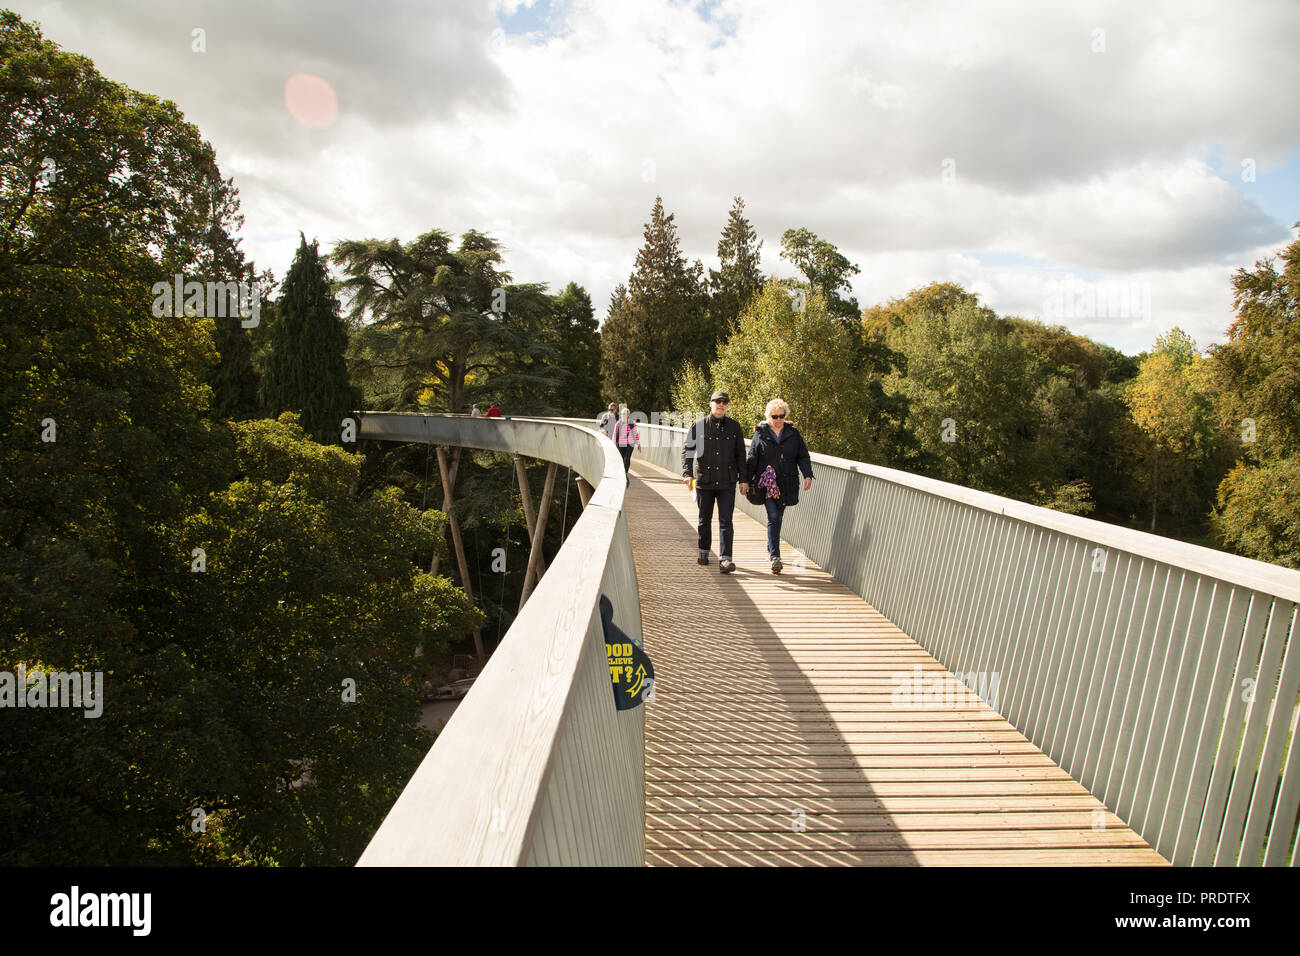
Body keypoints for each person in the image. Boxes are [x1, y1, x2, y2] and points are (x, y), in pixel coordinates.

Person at [682, 390, 748, 574]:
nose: (721, 405)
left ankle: (725, 559)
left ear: (727, 406)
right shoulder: (699, 426)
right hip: (705, 481)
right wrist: (687, 474)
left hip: (727, 482)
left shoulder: (735, 427)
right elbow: (688, 451)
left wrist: (744, 479)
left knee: (726, 521)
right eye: (718, 402)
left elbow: (741, 455)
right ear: (711, 404)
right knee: (704, 520)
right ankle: (703, 551)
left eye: (724, 402)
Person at [746, 398, 813, 574]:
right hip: (767, 483)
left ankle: (770, 548)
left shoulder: (793, 433)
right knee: (774, 517)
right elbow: (752, 458)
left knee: (779, 518)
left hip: (787, 482)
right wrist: (744, 480)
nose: (778, 419)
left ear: (785, 415)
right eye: (774, 416)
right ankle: (775, 557)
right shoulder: (760, 433)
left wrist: (807, 475)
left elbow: (803, 456)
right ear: (768, 416)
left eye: (781, 416)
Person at [614, 406, 640, 486]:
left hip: (630, 443)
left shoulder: (632, 423)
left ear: (628, 415)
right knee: (621, 458)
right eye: (622, 414)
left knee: (627, 457)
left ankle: (625, 473)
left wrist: (638, 444)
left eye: (625, 413)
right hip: (620, 443)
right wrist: (613, 444)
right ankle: (621, 472)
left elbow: (635, 434)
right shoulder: (618, 423)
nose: (624, 415)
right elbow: (615, 434)